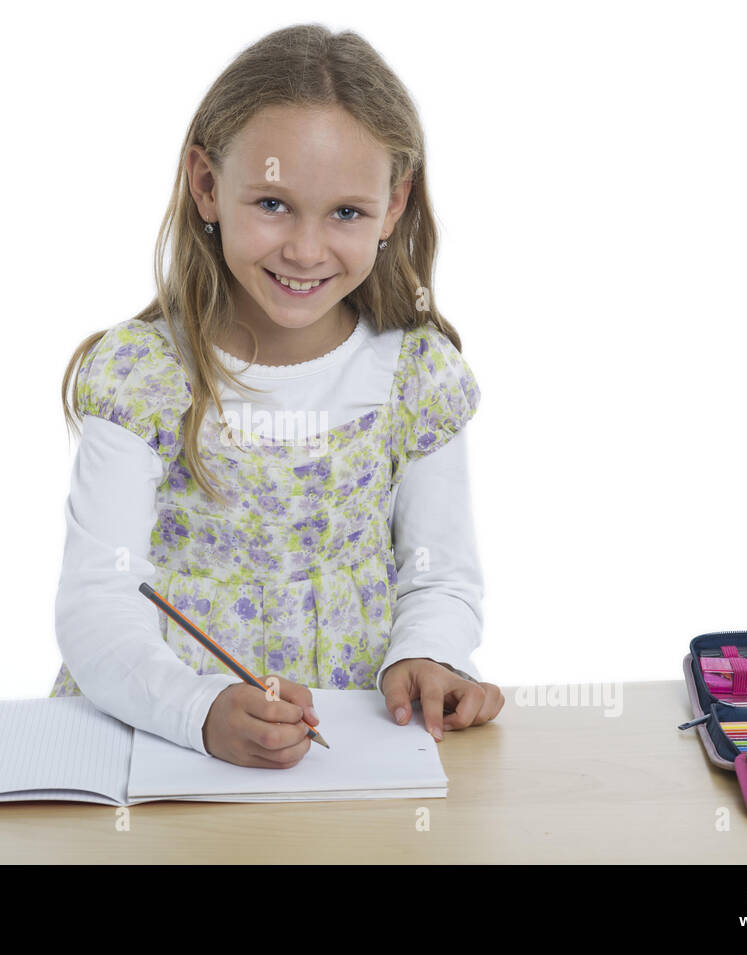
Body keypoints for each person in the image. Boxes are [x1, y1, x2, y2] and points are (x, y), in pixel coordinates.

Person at [49, 24, 504, 768]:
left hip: (350, 748)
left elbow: (438, 572)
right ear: (207, 186)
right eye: (272, 203)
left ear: (394, 206)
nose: (304, 248)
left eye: (346, 212)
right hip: (156, 738)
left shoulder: (415, 376)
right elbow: (98, 601)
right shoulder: (144, 375)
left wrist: (428, 655)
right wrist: (199, 711)